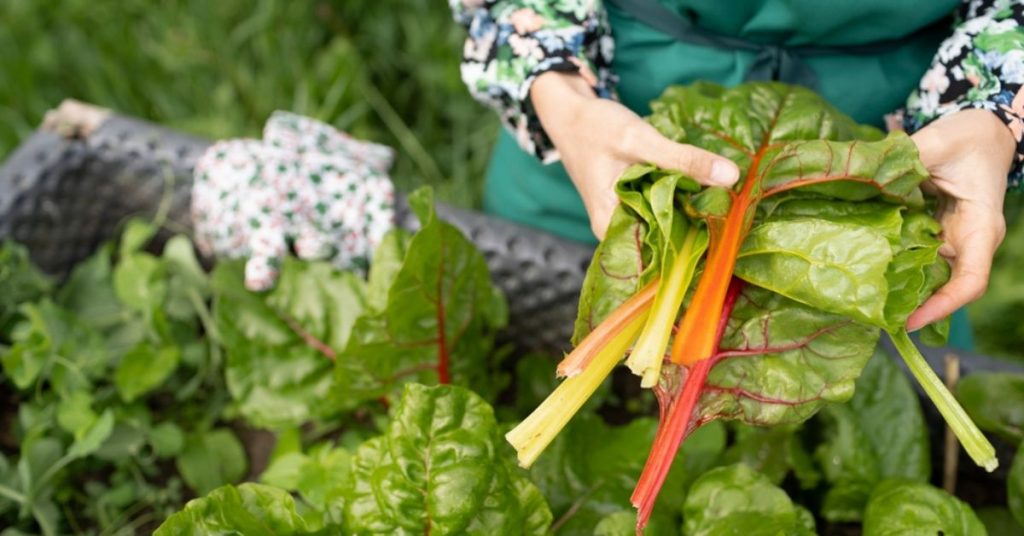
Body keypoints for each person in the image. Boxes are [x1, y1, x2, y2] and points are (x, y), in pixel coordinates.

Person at [449, 0, 1024, 345]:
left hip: (898, 161)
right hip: (598, 128)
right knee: (526, 359)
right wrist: (559, 90)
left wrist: (998, 112)